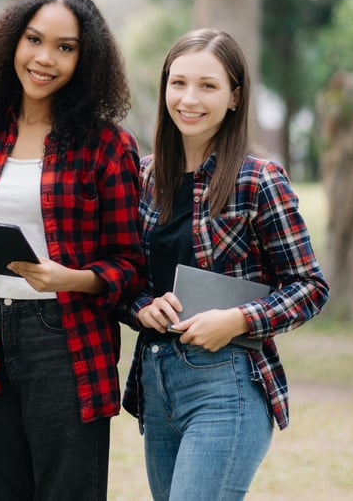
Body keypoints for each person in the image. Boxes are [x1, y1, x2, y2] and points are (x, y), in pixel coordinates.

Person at [0, 0, 144, 500]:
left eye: (64, 47)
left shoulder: (107, 146)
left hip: (66, 341)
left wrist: (70, 279)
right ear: (12, 42)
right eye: (34, 39)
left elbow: (131, 264)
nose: (44, 58)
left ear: (85, 60)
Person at [120, 28, 329, 500]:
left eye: (208, 86)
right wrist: (141, 307)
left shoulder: (259, 180)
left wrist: (237, 320)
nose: (189, 99)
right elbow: (126, 277)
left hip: (227, 383)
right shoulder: (144, 176)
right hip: (156, 381)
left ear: (234, 97)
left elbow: (310, 287)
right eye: (178, 83)